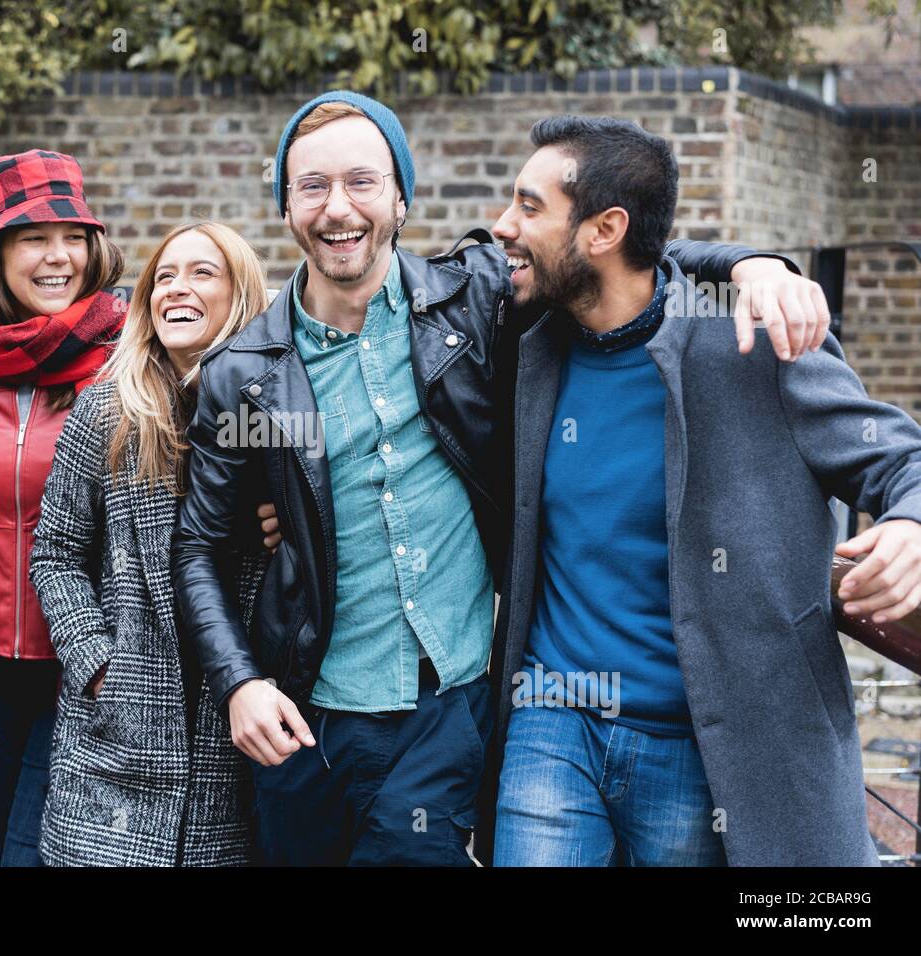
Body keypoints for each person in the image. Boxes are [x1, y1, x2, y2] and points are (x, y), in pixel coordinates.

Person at [170, 90, 830, 866]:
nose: (337, 207)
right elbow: (197, 548)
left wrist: (752, 264)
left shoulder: (476, 298)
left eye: (362, 182)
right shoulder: (241, 371)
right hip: (302, 718)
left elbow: (612, 250)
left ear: (401, 198)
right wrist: (239, 682)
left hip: (444, 708)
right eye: (312, 186)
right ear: (287, 208)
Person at [490, 115, 921, 866]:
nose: (503, 226)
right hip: (552, 717)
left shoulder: (755, 342)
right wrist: (750, 257)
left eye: (530, 207)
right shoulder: (529, 337)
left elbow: (901, 460)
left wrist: (912, 523)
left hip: (699, 742)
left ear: (604, 229)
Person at [29, 221, 272, 865]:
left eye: (201, 273)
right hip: (114, 748)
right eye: (164, 276)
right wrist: (99, 666)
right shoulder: (107, 411)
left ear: (241, 295)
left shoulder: (279, 414)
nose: (177, 288)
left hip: (233, 746)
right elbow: (55, 550)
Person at [0, 148, 127, 866]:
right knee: (12, 837)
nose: (59, 256)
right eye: (34, 237)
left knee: (35, 853)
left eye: (73, 236)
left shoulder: (126, 354)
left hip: (83, 659)